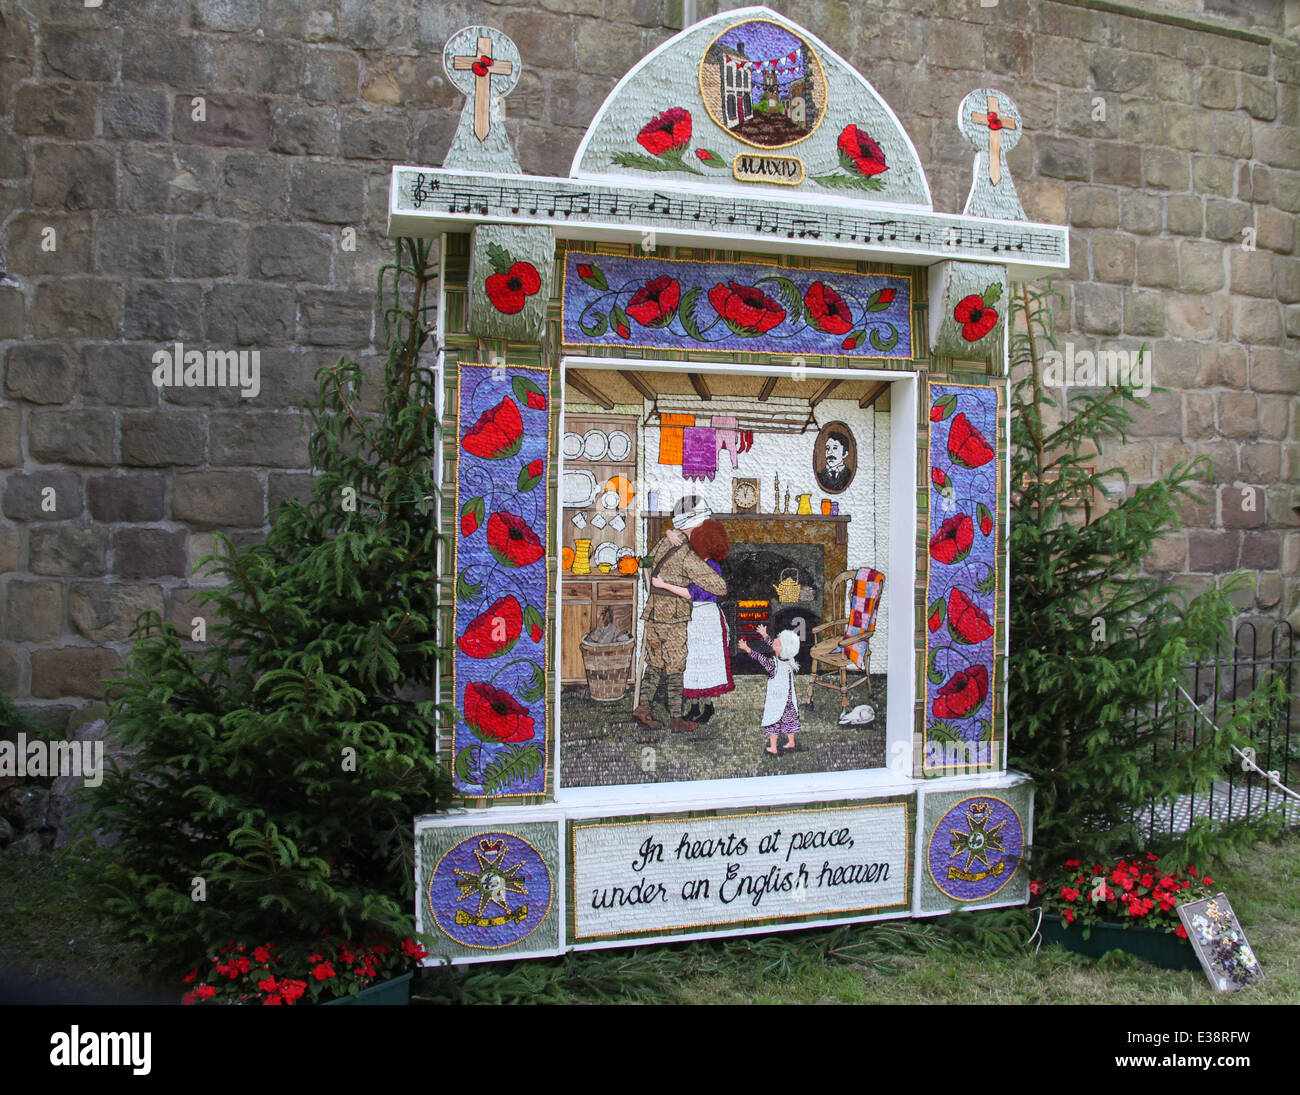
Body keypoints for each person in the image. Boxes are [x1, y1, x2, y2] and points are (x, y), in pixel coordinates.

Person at [632, 497, 727, 733]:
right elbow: (719, 587)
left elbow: (647, 562)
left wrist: (667, 533)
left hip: (653, 612)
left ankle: (642, 708)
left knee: (654, 663)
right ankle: (676, 719)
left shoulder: (665, 543)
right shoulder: (687, 553)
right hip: (673, 617)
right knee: (675, 668)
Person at [652, 518, 734, 725]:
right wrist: (670, 533)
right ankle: (696, 705)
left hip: (706, 617)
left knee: (706, 663)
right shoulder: (695, 561)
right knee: (693, 662)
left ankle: (707, 707)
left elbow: (692, 593)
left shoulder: (712, 567)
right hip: (693, 617)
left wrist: (663, 585)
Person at [738, 624, 802, 757]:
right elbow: (773, 644)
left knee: (773, 723)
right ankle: (791, 741)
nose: (775, 640)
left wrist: (747, 649)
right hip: (788, 700)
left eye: (778, 640)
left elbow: (760, 658)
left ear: (781, 648)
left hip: (777, 700)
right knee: (789, 722)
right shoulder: (789, 660)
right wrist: (764, 635)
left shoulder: (774, 665)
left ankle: (773, 747)